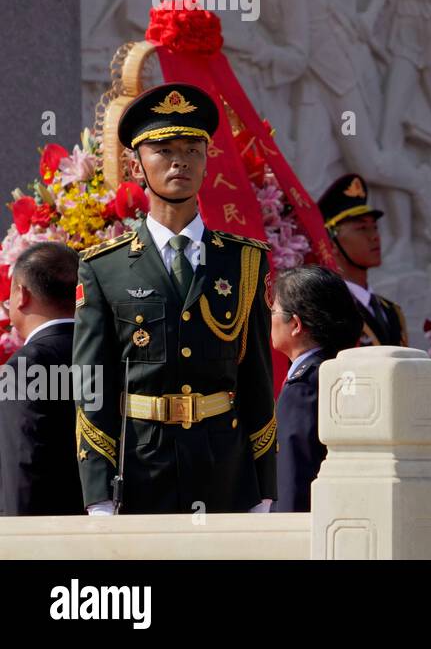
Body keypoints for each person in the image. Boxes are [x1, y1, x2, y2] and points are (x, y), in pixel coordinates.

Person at [73, 82, 277, 515]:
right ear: (135, 166)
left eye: (192, 149)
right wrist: (98, 496)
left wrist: (264, 487)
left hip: (226, 472)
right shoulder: (104, 268)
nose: (180, 160)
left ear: (207, 161)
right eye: (164, 150)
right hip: (142, 471)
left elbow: (258, 379)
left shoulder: (245, 261)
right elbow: (93, 386)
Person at [269, 265, 362, 513]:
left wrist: (285, 538)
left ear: (296, 324)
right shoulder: (344, 372)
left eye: (274, 310)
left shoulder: (303, 387)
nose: (270, 318)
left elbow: (295, 476)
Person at [0, 242, 83, 516]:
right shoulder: (111, 355)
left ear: (21, 294)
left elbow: (21, 463)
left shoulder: (26, 366)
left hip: (43, 537)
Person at [316, 174, 407, 347]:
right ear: (332, 243)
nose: (374, 237)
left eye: (375, 227)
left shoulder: (391, 311)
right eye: (362, 228)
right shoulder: (328, 310)